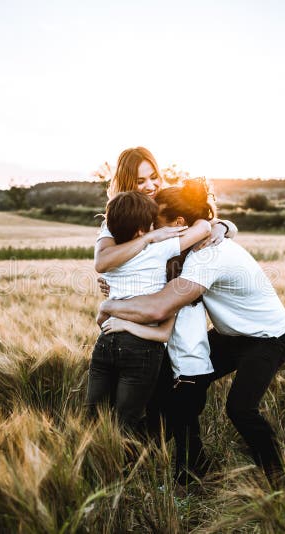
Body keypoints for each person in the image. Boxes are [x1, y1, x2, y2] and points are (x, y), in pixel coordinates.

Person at [98, 215, 285, 484]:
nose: (156, 229)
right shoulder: (188, 248)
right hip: (230, 336)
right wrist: (122, 282)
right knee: (174, 381)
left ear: (181, 222)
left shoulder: (205, 255)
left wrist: (108, 307)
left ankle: (279, 476)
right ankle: (185, 464)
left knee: (240, 408)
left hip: (267, 337)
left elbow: (160, 307)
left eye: (161, 222)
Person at [99, 179, 215, 487]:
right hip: (159, 350)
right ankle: (171, 478)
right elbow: (106, 264)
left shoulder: (178, 257)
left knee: (178, 420)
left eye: (156, 219)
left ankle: (184, 480)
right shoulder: (156, 248)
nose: (151, 227)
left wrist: (221, 225)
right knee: (164, 420)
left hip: (182, 353)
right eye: (140, 180)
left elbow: (202, 227)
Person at [94, 146, 237, 275]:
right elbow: (102, 262)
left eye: (154, 177)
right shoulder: (120, 217)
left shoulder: (165, 202)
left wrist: (221, 227)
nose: (150, 186)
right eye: (140, 181)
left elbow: (224, 226)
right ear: (127, 182)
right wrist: (149, 238)